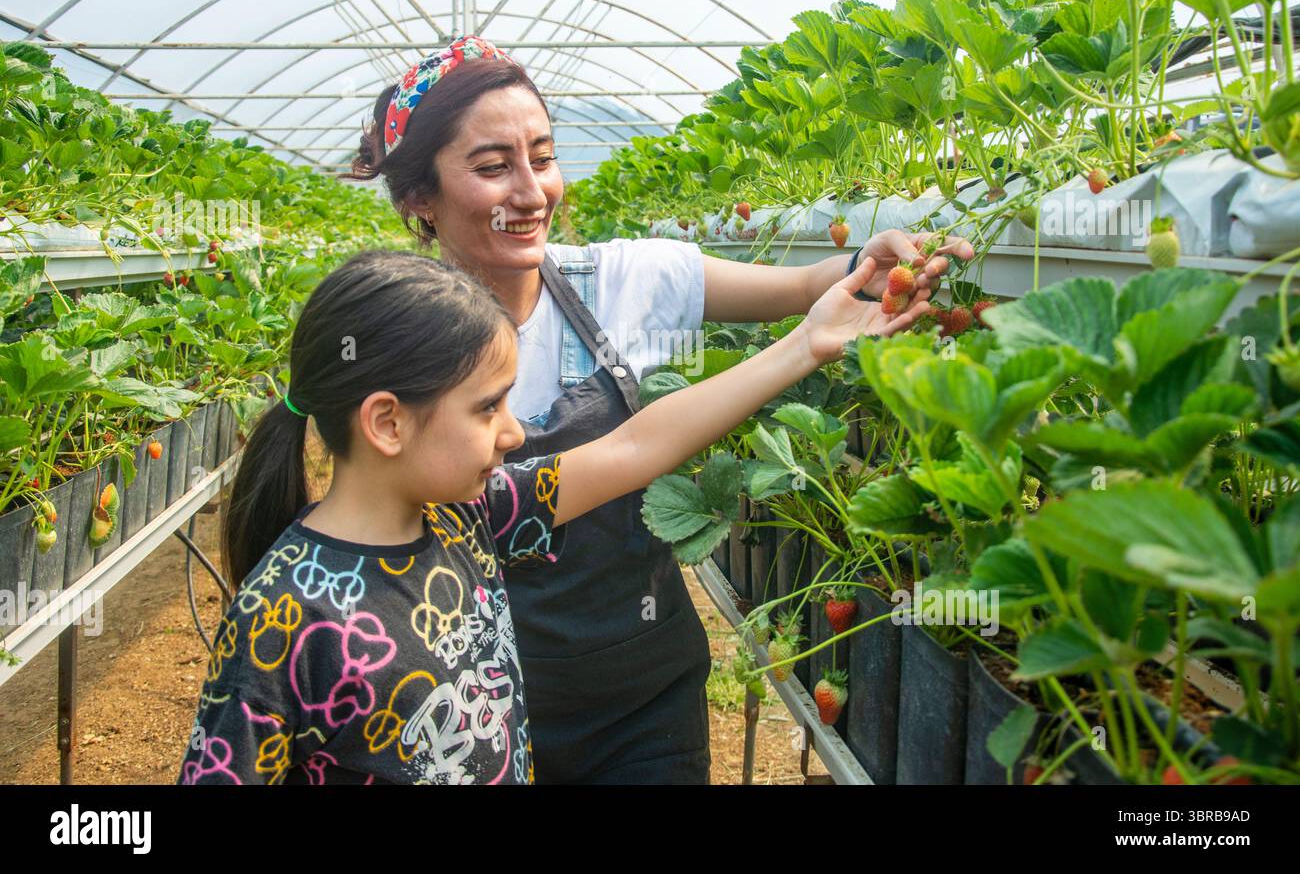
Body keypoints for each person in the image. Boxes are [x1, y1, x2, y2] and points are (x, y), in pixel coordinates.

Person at [345, 34, 970, 783]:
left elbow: (806, 292)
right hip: (476, 708)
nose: (531, 191)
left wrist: (871, 266)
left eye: (541, 159)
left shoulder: (628, 279)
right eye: (491, 167)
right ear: (418, 196)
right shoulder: (399, 342)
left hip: (645, 701)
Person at [176, 247, 926, 784]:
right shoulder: (283, 617)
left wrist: (805, 345)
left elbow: (634, 447)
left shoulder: (466, 519)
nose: (514, 432)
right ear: (387, 423)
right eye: (487, 409)